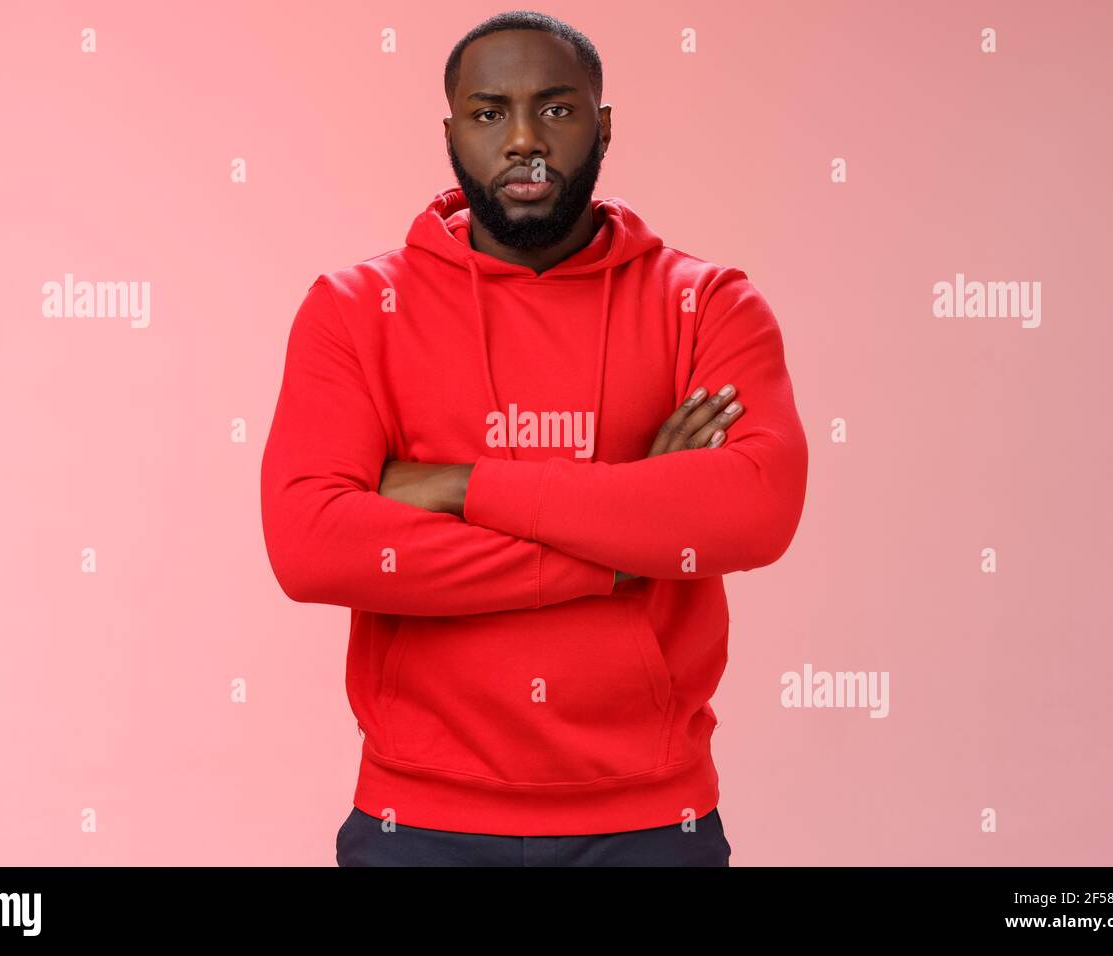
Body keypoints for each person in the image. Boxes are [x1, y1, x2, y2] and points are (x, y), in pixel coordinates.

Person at [259, 10, 809, 866]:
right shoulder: (356, 309)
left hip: (653, 823)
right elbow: (312, 548)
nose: (523, 139)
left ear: (604, 124)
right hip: (418, 823)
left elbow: (755, 513)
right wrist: (627, 544)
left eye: (556, 109)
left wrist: (455, 485)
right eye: (489, 113)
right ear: (450, 133)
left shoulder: (708, 304)